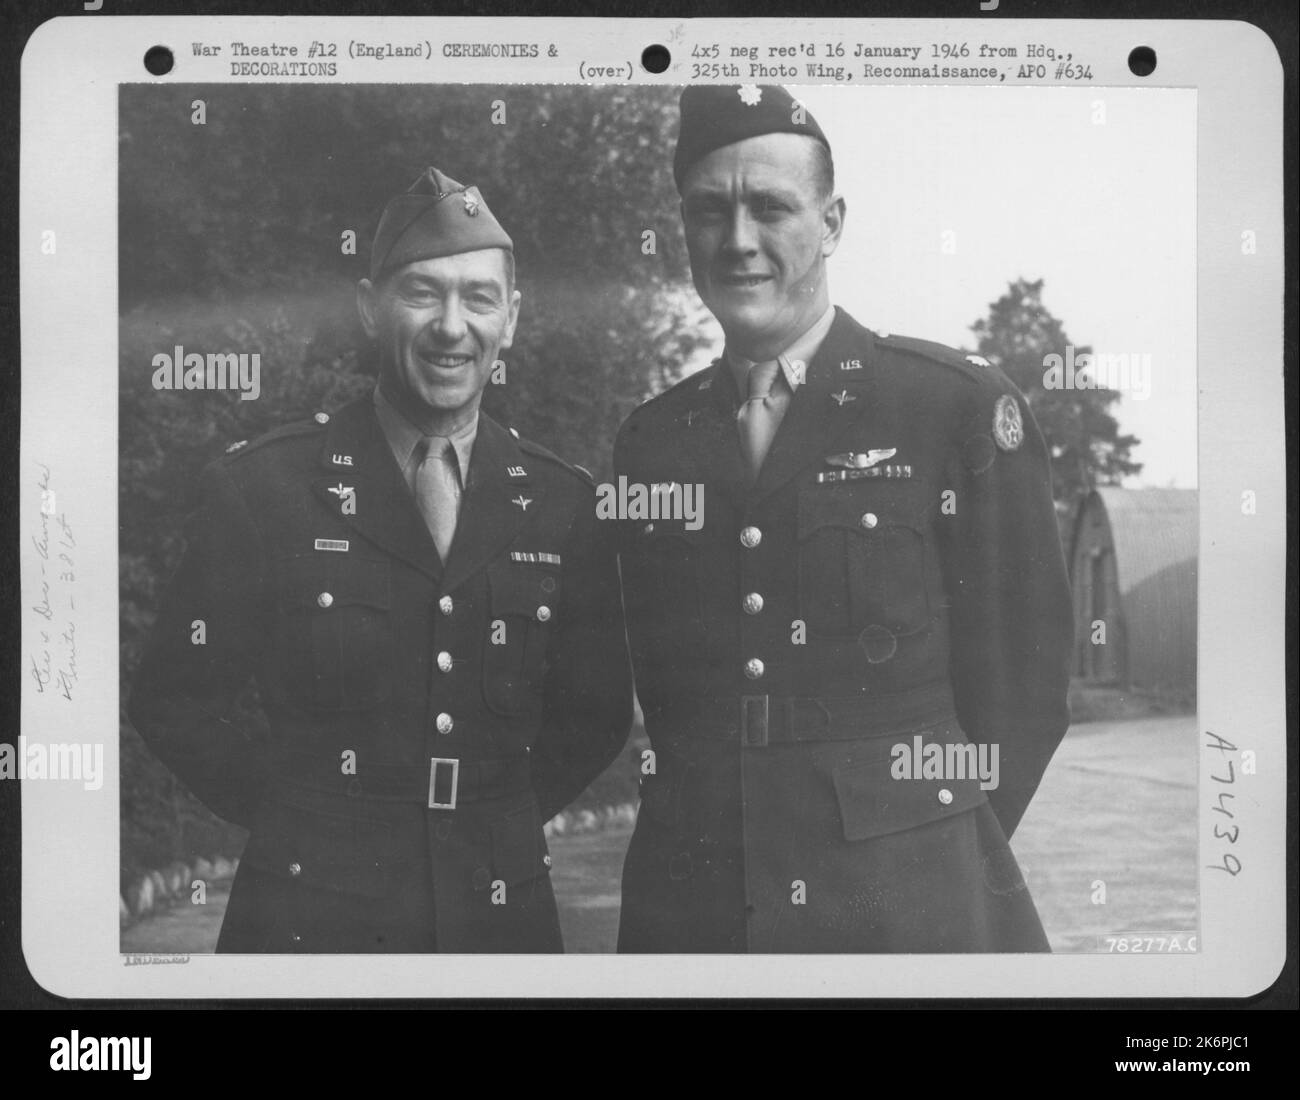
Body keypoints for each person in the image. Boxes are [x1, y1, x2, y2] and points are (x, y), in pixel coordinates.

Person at [613, 85, 1073, 952]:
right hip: (699, 894)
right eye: (709, 211)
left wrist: (929, 839)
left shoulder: (950, 409)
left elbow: (1025, 685)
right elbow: (663, 695)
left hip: (904, 898)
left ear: (832, 223)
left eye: (772, 208)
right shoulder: (651, 443)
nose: (738, 240)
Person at [128, 167, 633, 953]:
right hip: (308, 915)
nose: (451, 327)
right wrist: (301, 811)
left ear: (514, 319)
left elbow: (595, 714)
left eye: (479, 297)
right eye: (422, 293)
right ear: (369, 306)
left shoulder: (566, 505)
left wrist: (493, 814)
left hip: (497, 917)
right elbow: (173, 700)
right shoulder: (264, 488)